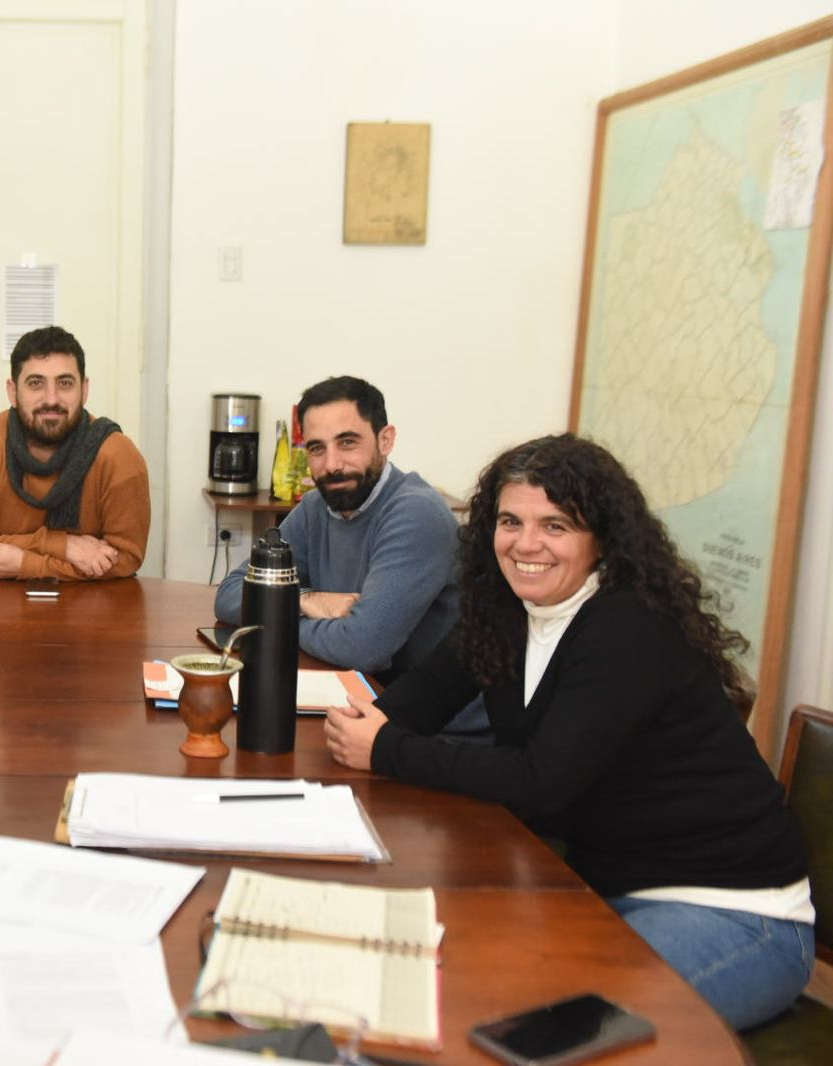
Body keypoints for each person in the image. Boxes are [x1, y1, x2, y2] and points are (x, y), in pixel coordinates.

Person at [323, 434, 812, 1030]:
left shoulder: (627, 626)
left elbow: (542, 782)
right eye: (510, 521)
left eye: (555, 525)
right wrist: (370, 729)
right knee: (445, 989)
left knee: (547, 1032)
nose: (526, 545)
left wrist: (386, 747)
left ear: (601, 538)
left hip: (734, 914)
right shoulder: (505, 609)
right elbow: (408, 707)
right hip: (600, 892)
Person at [215, 376, 458, 682]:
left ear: (386, 440)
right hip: (351, 693)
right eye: (317, 448)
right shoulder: (315, 507)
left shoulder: (416, 513)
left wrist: (271, 619)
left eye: (347, 442)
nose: (332, 465)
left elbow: (362, 646)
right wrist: (303, 600)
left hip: (423, 720)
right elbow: (229, 593)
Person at [0, 325, 150, 580]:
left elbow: (125, 559)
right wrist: (60, 545)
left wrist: (23, 564)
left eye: (64, 383)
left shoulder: (118, 456)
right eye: (36, 383)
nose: (51, 399)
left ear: (84, 390)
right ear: (13, 391)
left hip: (88, 610)